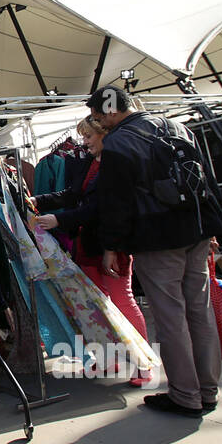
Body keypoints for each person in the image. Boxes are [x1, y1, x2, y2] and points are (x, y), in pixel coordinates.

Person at [86, 85, 222, 418]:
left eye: (97, 115)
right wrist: (214, 226)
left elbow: (115, 202)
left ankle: (185, 395)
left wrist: (111, 246)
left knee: (171, 316)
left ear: (109, 111)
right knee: (199, 310)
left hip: (157, 236)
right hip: (196, 228)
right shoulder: (176, 127)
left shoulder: (119, 143)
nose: (97, 121)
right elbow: (206, 179)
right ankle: (207, 389)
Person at [28, 116, 151, 385]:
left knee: (123, 302)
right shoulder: (87, 162)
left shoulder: (115, 164)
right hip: (88, 244)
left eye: (88, 137)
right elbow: (72, 194)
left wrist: (60, 220)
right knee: (99, 306)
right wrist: (39, 199)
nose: (84, 142)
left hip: (111, 243)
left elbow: (100, 208)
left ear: (105, 134)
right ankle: (112, 358)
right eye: (83, 137)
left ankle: (143, 364)